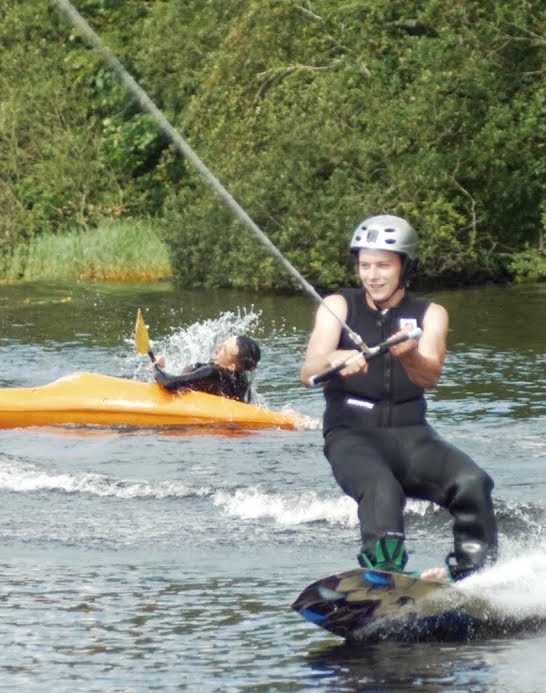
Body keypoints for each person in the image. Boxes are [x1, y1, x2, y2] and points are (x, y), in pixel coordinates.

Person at [299, 214, 498, 581]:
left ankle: (475, 576)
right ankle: (384, 575)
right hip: (351, 435)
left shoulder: (431, 314)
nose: (372, 275)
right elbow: (307, 371)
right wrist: (335, 358)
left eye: (383, 266)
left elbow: (430, 375)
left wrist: (408, 355)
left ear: (404, 266)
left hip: (413, 436)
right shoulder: (338, 307)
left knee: (473, 482)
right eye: (365, 265)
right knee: (381, 489)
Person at [153, 335, 261, 403]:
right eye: (223, 343)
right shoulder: (242, 379)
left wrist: (157, 366)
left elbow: (168, 383)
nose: (218, 346)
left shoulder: (211, 372)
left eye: (224, 349)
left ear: (231, 367)